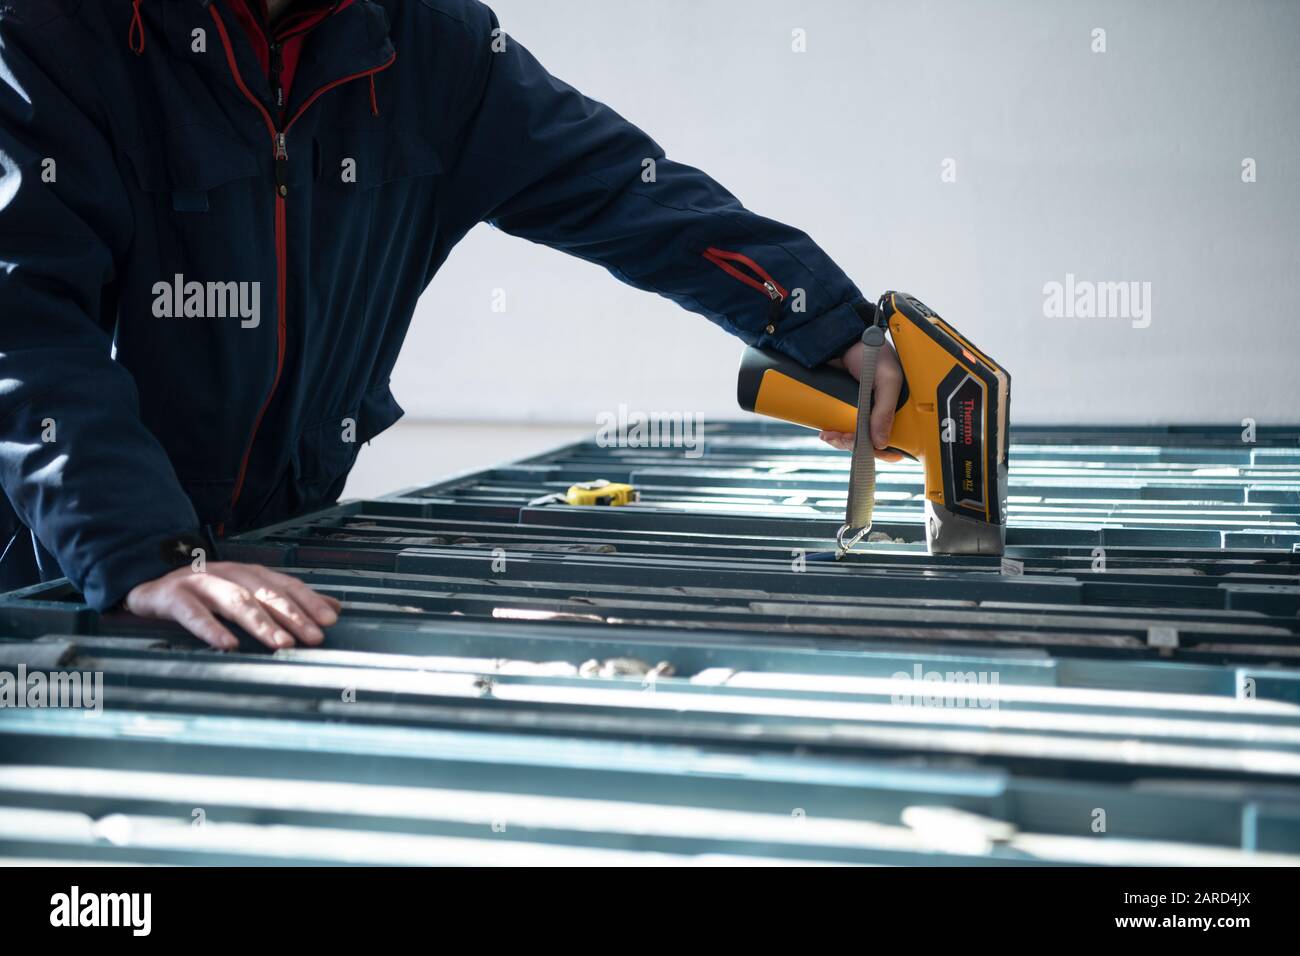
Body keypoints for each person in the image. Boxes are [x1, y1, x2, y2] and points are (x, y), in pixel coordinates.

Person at [0, 0, 902, 650]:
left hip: (273, 554)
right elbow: (23, 325)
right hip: (53, 562)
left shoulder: (434, 45)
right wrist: (141, 549)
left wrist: (825, 324)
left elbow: (626, 191)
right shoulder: (48, 36)